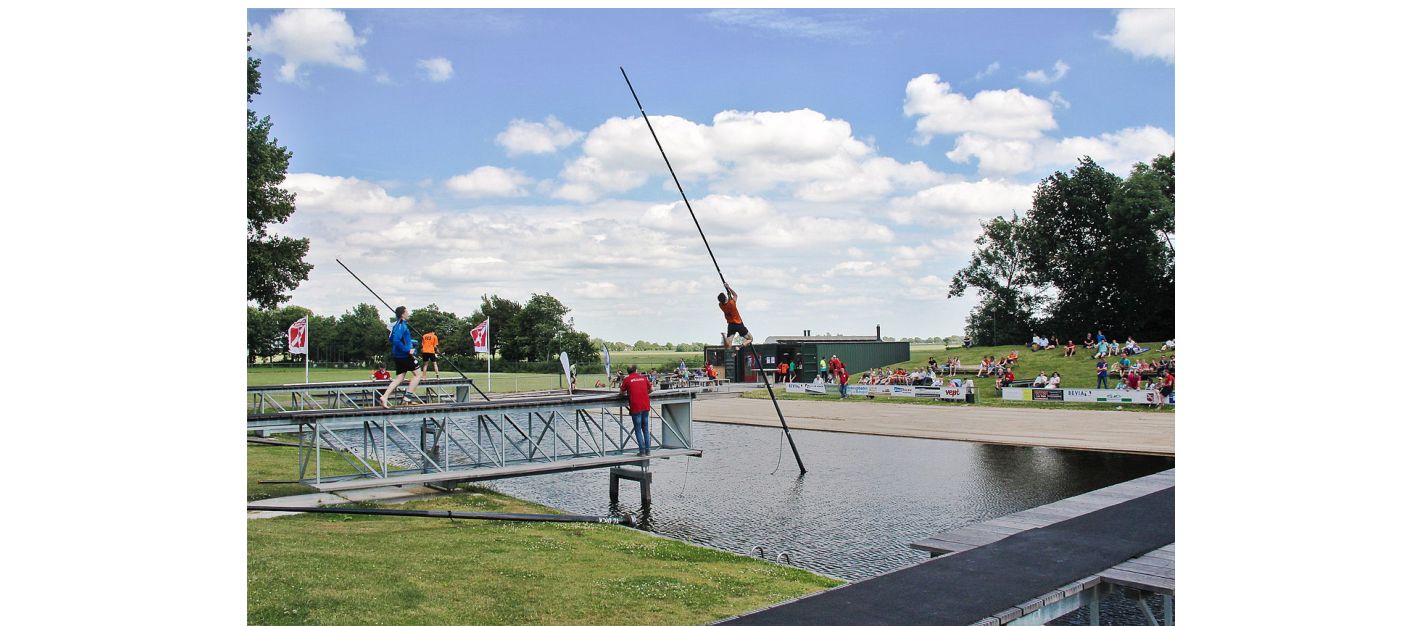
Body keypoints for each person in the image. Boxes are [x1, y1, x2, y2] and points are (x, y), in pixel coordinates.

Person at [382, 305, 424, 408]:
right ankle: (408, 396)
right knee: (418, 374)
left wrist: (410, 343)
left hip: (398, 355)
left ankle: (385, 396)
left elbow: (392, 339)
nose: (408, 314)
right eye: (407, 312)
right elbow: (396, 340)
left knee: (400, 378)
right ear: (402, 314)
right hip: (404, 355)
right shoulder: (401, 326)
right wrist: (408, 349)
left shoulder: (397, 325)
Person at [619, 365, 653, 455]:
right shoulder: (643, 378)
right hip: (645, 405)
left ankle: (642, 451)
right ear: (636, 370)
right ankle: (648, 450)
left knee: (638, 429)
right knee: (645, 428)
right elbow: (651, 389)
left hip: (635, 406)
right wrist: (645, 393)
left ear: (628, 372)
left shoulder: (627, 379)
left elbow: (621, 393)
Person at [718, 282, 752, 352]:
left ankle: (724, 336)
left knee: (728, 346)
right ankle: (740, 347)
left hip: (731, 325)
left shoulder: (720, 305)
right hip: (738, 324)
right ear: (725, 297)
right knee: (750, 339)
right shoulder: (731, 304)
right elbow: (735, 295)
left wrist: (728, 295)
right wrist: (728, 287)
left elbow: (727, 301)